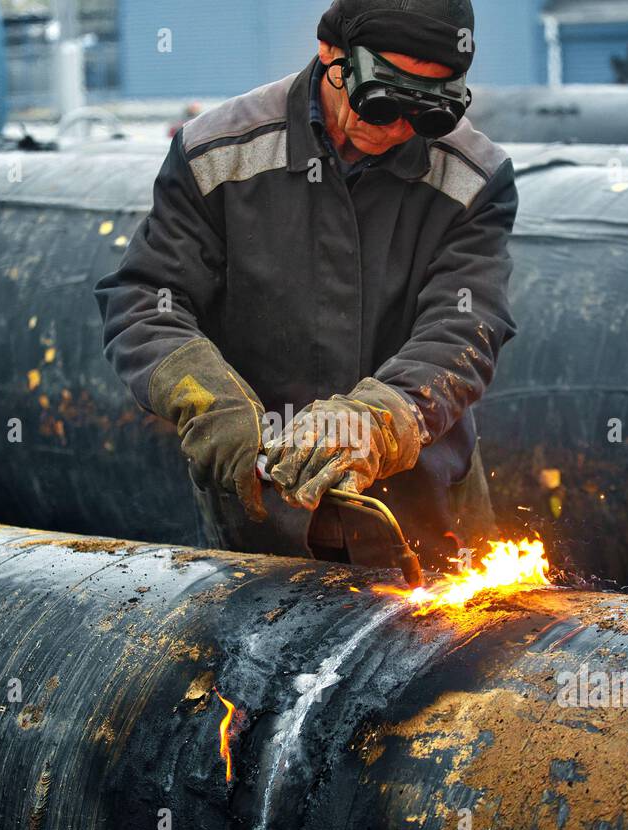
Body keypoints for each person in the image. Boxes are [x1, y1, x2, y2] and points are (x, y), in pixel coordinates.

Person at [95, 0, 517, 571]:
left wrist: (380, 422)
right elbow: (145, 301)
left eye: (426, 111)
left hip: (427, 514)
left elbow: (466, 324)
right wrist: (210, 404)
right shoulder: (217, 155)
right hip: (269, 518)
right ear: (331, 53)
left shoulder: (473, 175)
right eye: (383, 99)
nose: (397, 127)